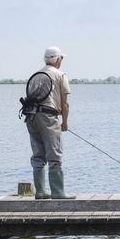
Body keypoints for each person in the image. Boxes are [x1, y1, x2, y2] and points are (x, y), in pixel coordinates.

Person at [27, 46, 71, 199]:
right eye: (61, 58)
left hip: (31, 116)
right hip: (48, 117)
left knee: (38, 154)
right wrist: (65, 122)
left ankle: (39, 192)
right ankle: (58, 193)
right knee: (55, 153)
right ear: (58, 59)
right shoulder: (61, 75)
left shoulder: (36, 74)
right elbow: (65, 104)